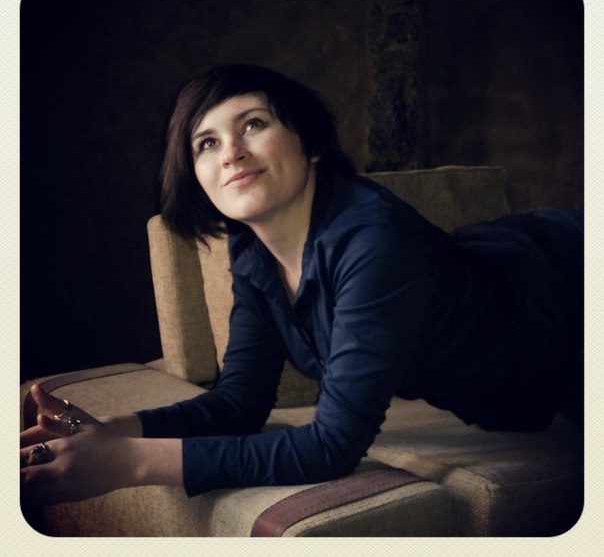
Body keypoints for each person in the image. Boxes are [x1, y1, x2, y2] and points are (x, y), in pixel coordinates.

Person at [20, 64, 583, 506]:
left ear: (310, 141)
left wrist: (128, 462)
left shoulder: (374, 241)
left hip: (568, 290)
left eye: (253, 124)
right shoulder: (252, 249)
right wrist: (114, 431)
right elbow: (241, 403)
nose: (232, 152)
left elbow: (330, 448)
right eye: (206, 142)